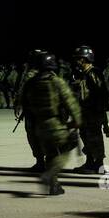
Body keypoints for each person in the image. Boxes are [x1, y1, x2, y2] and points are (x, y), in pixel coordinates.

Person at [20, 53, 82, 196]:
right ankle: (49, 174)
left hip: (38, 124)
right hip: (54, 122)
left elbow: (24, 102)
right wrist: (76, 120)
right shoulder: (56, 82)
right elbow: (70, 102)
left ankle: (54, 186)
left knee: (51, 154)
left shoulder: (31, 82)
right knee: (67, 148)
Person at [69, 46, 109, 174]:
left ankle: (99, 164)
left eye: (79, 58)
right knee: (85, 136)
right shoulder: (81, 74)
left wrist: (101, 113)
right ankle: (90, 162)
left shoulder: (94, 73)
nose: (77, 61)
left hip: (93, 112)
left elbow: (101, 93)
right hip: (83, 112)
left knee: (95, 137)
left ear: (86, 59)